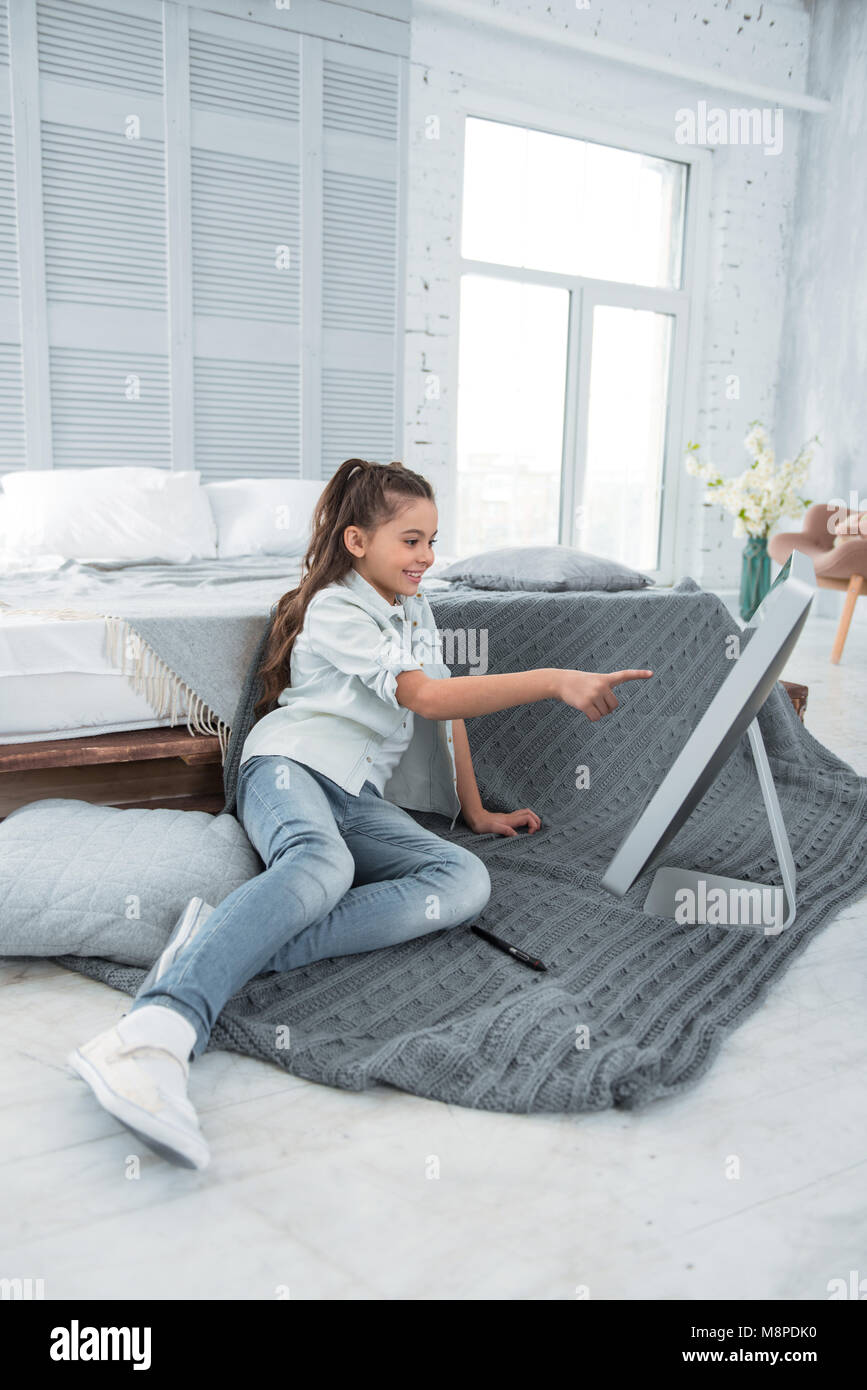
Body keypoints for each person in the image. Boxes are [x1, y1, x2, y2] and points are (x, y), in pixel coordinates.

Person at [68, 458, 653, 1169]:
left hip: (358, 795)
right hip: (287, 768)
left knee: (462, 882)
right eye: (410, 540)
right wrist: (554, 680)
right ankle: (156, 1031)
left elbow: (448, 714)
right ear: (355, 541)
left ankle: (219, 941)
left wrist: (474, 812)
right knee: (323, 863)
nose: (427, 557)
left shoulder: (416, 610)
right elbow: (427, 700)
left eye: (433, 540)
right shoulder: (337, 608)